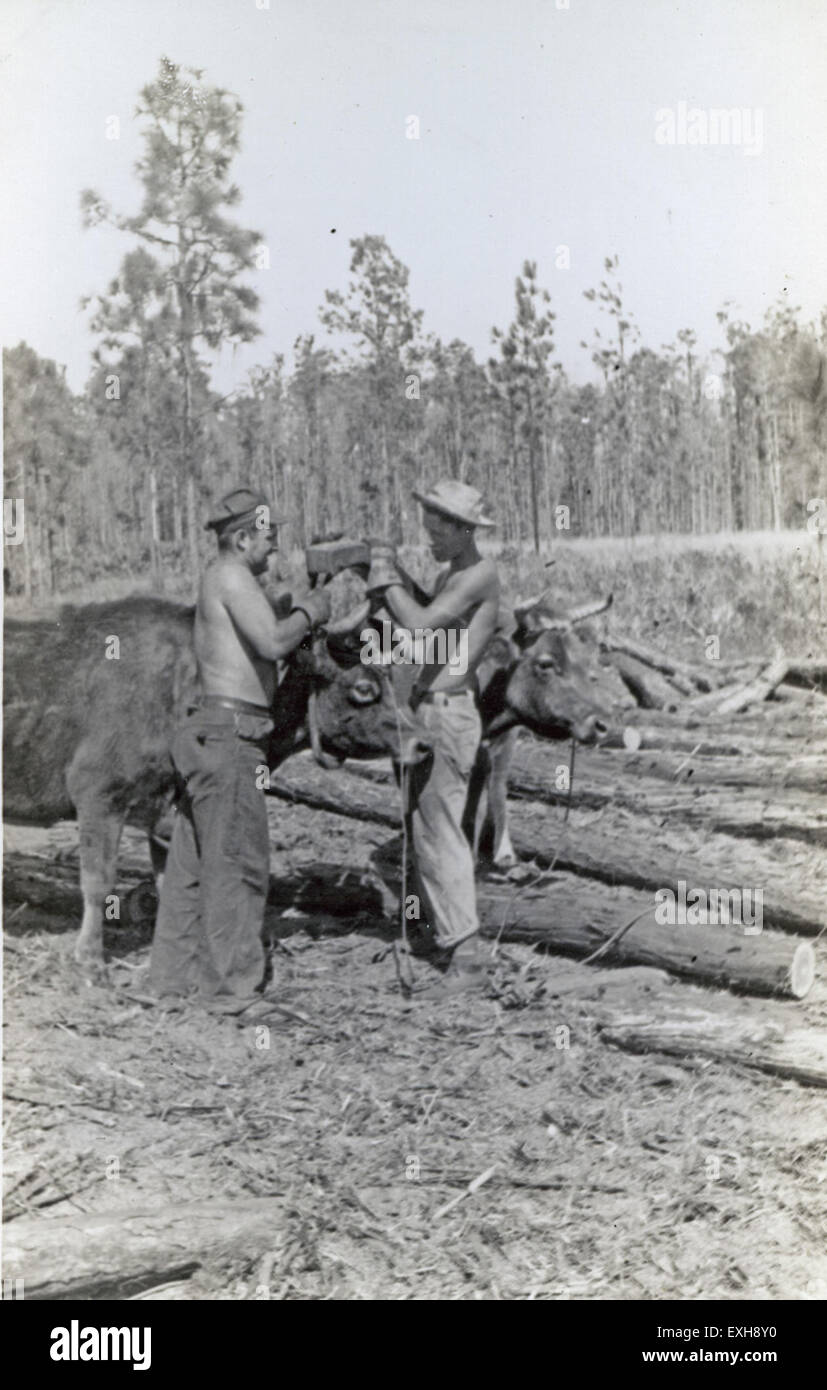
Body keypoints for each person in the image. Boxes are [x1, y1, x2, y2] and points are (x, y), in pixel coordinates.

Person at [149, 486, 330, 1010]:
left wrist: (292, 609)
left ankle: (173, 981)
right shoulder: (231, 575)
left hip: (211, 731)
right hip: (232, 736)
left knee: (193, 863)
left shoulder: (224, 580)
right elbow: (273, 643)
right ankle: (230, 990)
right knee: (238, 862)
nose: (274, 551)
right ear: (244, 537)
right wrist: (313, 611)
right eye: (269, 540)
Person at [366, 480, 500, 989]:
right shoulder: (453, 576)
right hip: (429, 709)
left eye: (439, 532)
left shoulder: (481, 575)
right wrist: (386, 583)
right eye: (427, 531)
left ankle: (468, 956)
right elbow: (418, 636)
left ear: (466, 530)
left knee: (441, 832)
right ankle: (439, 932)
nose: (431, 540)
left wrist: (384, 579)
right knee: (423, 830)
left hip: (448, 713)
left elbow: (420, 627)